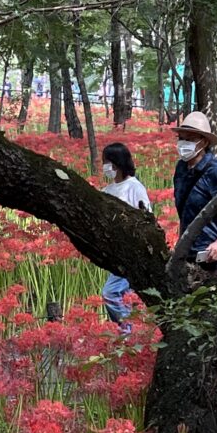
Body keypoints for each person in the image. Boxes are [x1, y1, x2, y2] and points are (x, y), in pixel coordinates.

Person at [170, 111, 217, 279]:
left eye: (189, 139)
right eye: (181, 138)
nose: (183, 143)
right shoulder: (181, 168)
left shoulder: (216, 172)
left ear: (203, 142)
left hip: (215, 256)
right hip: (189, 252)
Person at [99, 142, 151, 331]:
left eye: (107, 162)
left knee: (111, 293)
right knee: (129, 297)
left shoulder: (134, 187)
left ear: (117, 162)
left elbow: (147, 218)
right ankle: (136, 337)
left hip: (132, 253)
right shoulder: (107, 190)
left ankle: (129, 332)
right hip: (116, 254)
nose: (105, 166)